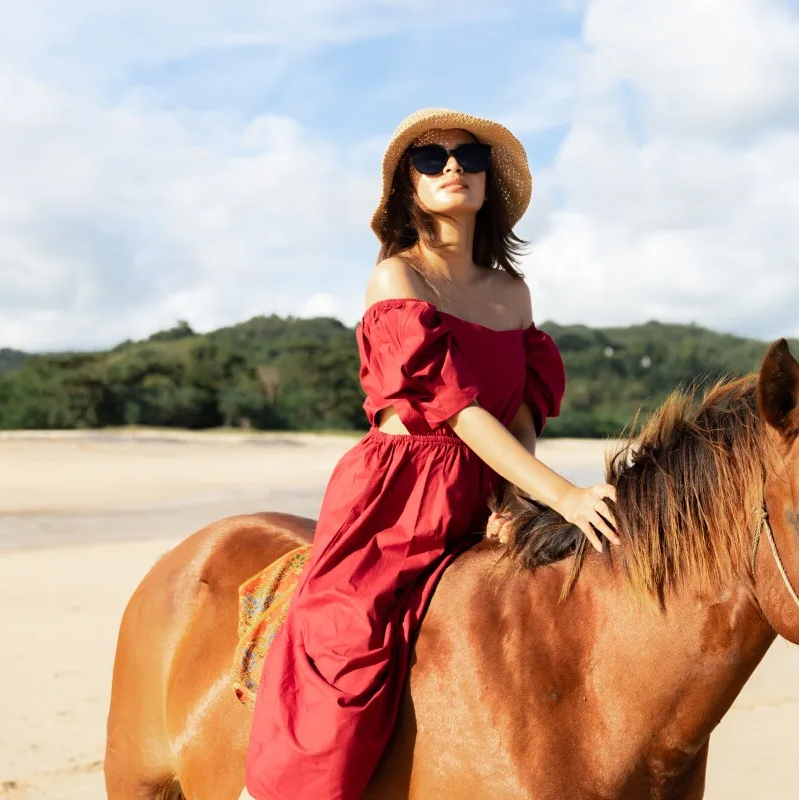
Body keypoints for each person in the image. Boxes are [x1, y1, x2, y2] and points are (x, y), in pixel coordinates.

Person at [241, 108, 620, 800]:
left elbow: (521, 413)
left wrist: (517, 496)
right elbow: (458, 411)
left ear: (487, 182)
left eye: (470, 157)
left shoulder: (512, 294)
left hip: (492, 481)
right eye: (431, 158)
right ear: (407, 186)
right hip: (399, 496)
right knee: (347, 649)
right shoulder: (398, 278)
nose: (453, 167)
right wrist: (563, 495)